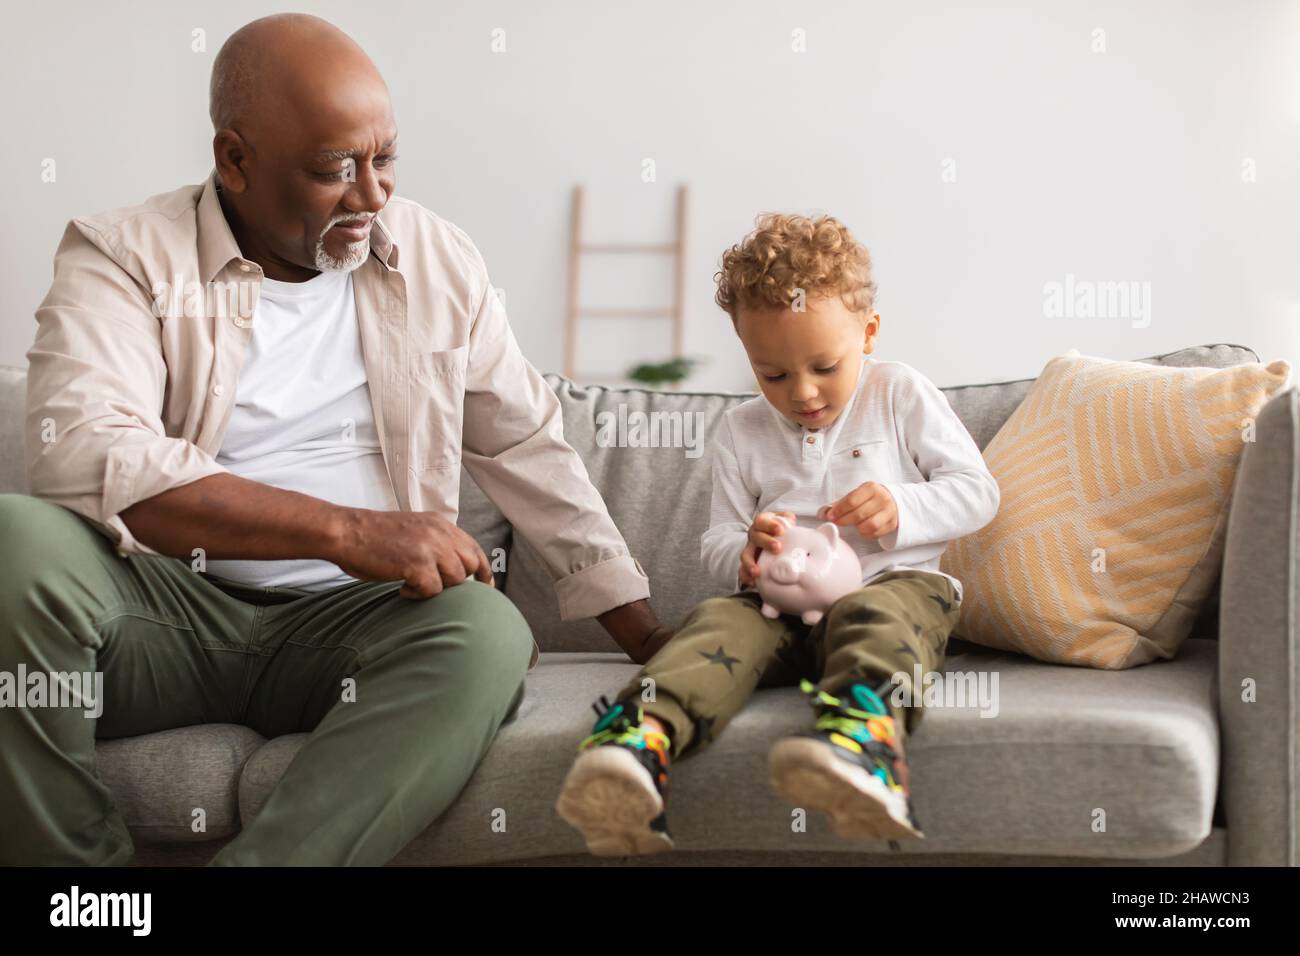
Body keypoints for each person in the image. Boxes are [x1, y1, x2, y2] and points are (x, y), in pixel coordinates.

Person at [1, 13, 670, 866]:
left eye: (384, 157)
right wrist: (351, 532)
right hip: (160, 618)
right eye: (333, 170)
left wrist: (652, 637)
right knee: (13, 541)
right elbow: (86, 450)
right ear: (234, 159)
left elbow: (528, 448)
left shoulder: (434, 258)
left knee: (485, 632)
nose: (372, 195)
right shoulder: (123, 255)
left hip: (356, 632)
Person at [556, 213, 1000, 855]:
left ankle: (865, 751)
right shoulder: (741, 431)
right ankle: (637, 743)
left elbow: (978, 492)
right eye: (774, 375)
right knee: (716, 625)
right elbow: (716, 538)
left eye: (824, 365)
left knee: (876, 618)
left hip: (894, 584)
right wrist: (746, 550)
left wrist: (903, 508)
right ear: (748, 359)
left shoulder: (898, 393)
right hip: (778, 604)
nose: (804, 393)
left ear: (868, 332)